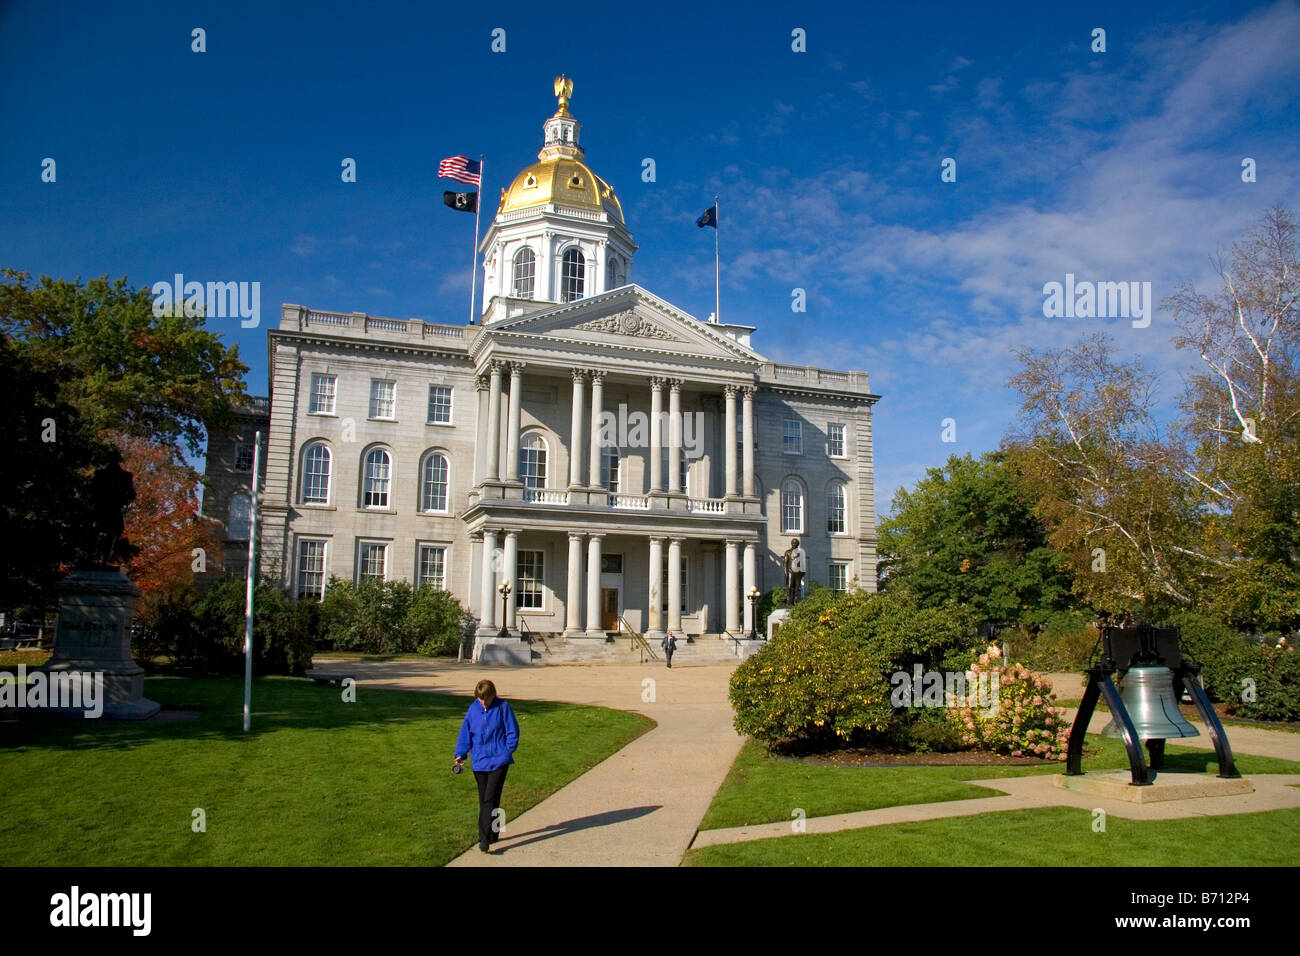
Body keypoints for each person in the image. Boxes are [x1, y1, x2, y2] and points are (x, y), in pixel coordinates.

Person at [453, 679, 519, 854]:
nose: (484, 703)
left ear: (493, 695)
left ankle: (483, 839)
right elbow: (465, 732)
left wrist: (506, 752)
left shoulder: (503, 707)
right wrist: (460, 753)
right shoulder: (473, 709)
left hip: (499, 761)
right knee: (487, 799)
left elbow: (513, 732)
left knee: (489, 798)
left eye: (487, 699)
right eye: (481, 700)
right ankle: (494, 833)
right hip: (479, 761)